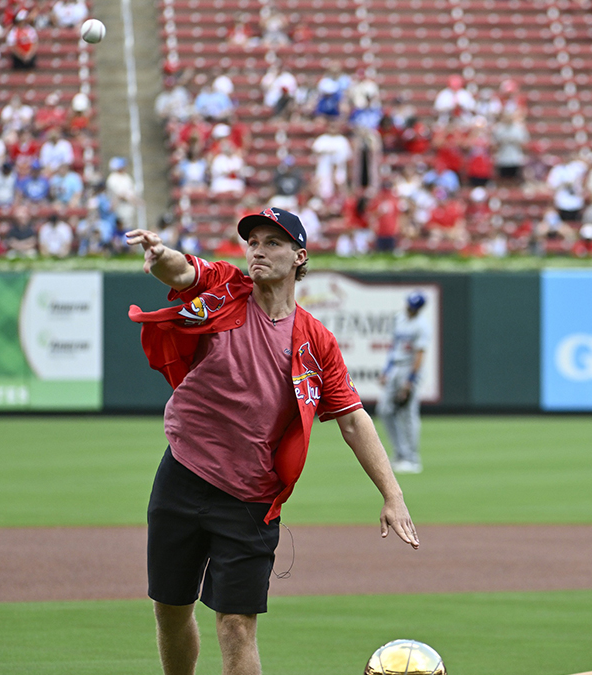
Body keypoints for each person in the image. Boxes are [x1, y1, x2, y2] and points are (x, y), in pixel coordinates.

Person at [125, 207, 419, 675]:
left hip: (250, 497)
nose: (257, 250)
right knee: (171, 608)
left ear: (299, 257)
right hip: (182, 472)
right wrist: (160, 254)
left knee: (236, 624)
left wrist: (393, 494)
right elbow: (182, 271)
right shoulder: (224, 288)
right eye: (253, 241)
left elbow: (352, 419)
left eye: (272, 243)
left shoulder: (315, 339)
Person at [377, 291, 429, 474]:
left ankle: (412, 458)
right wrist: (386, 370)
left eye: (413, 307)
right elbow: (394, 347)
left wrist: (410, 381)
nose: (409, 309)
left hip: (409, 369)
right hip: (396, 368)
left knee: (408, 414)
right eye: (409, 305)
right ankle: (400, 453)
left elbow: (419, 355)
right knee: (384, 410)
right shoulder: (399, 319)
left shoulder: (422, 326)